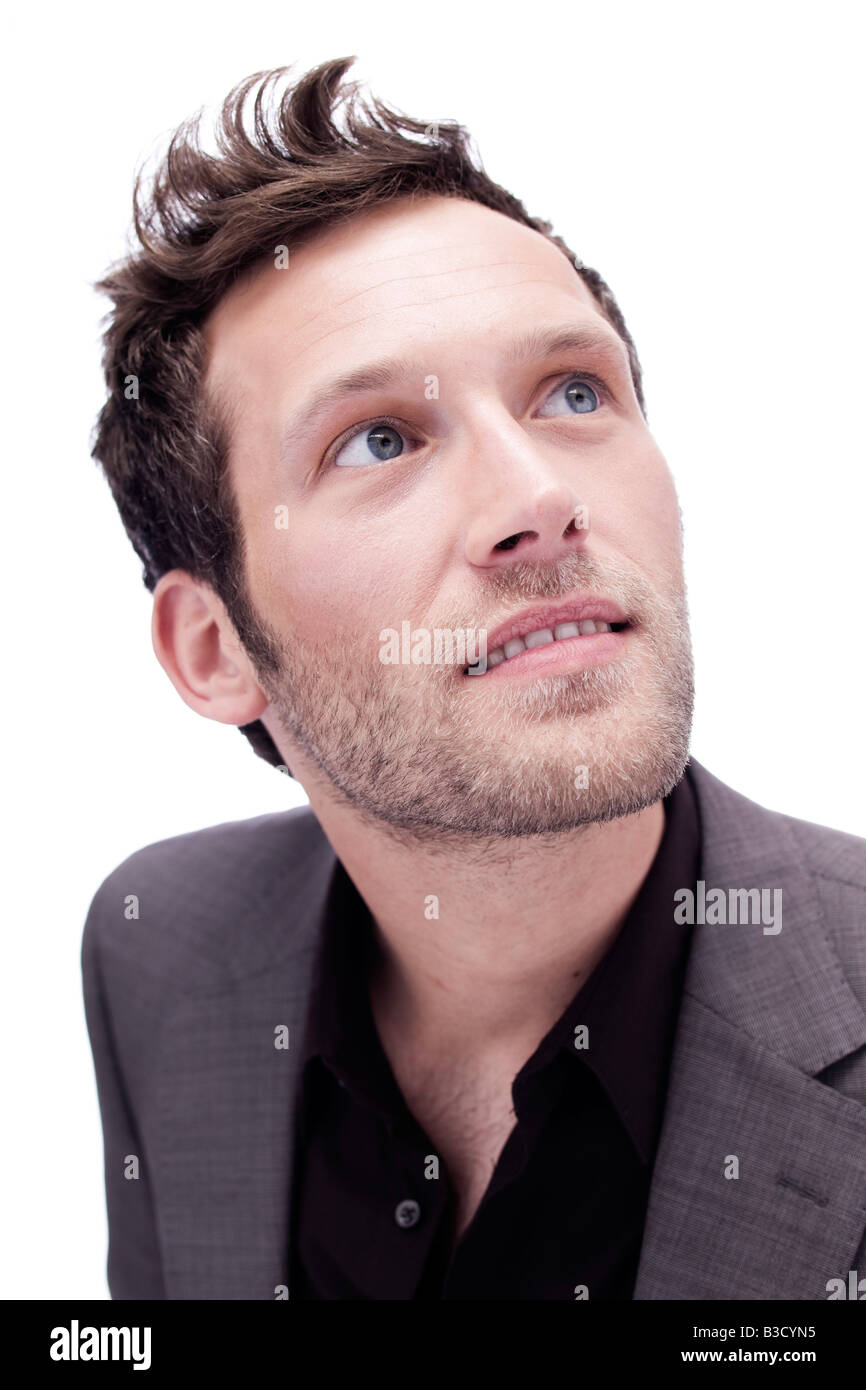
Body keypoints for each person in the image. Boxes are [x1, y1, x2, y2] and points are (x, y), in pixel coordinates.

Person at [82, 57, 866, 1300]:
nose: (540, 502)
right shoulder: (163, 946)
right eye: (377, 438)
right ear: (213, 648)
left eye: (570, 392)